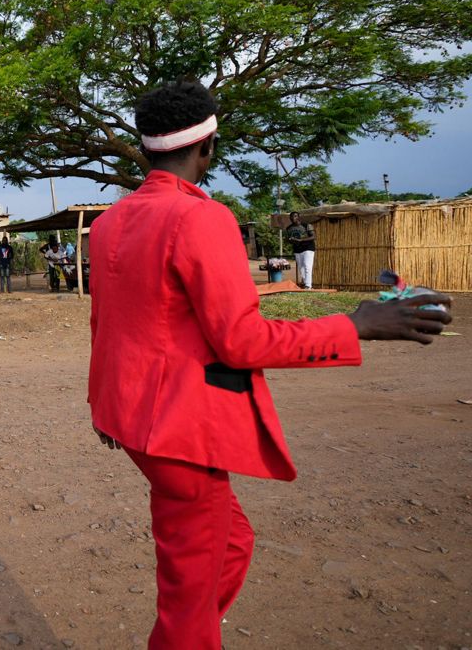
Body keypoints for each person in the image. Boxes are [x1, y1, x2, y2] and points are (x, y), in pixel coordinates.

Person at [87, 79, 452, 650]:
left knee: (228, 547)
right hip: (180, 428)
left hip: (136, 420)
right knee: (191, 587)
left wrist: (109, 408)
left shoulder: (110, 223)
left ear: (147, 147)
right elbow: (241, 341)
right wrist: (355, 325)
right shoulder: (202, 219)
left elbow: (108, 327)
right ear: (207, 146)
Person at [286, 211, 316, 290]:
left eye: (295, 216)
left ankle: (308, 286)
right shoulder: (289, 228)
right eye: (291, 217)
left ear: (299, 217)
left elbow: (313, 237)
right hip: (297, 249)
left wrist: (301, 240)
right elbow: (288, 239)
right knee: (301, 268)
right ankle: (305, 283)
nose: (293, 218)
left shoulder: (307, 226)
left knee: (307, 266)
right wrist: (290, 240)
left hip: (308, 248)